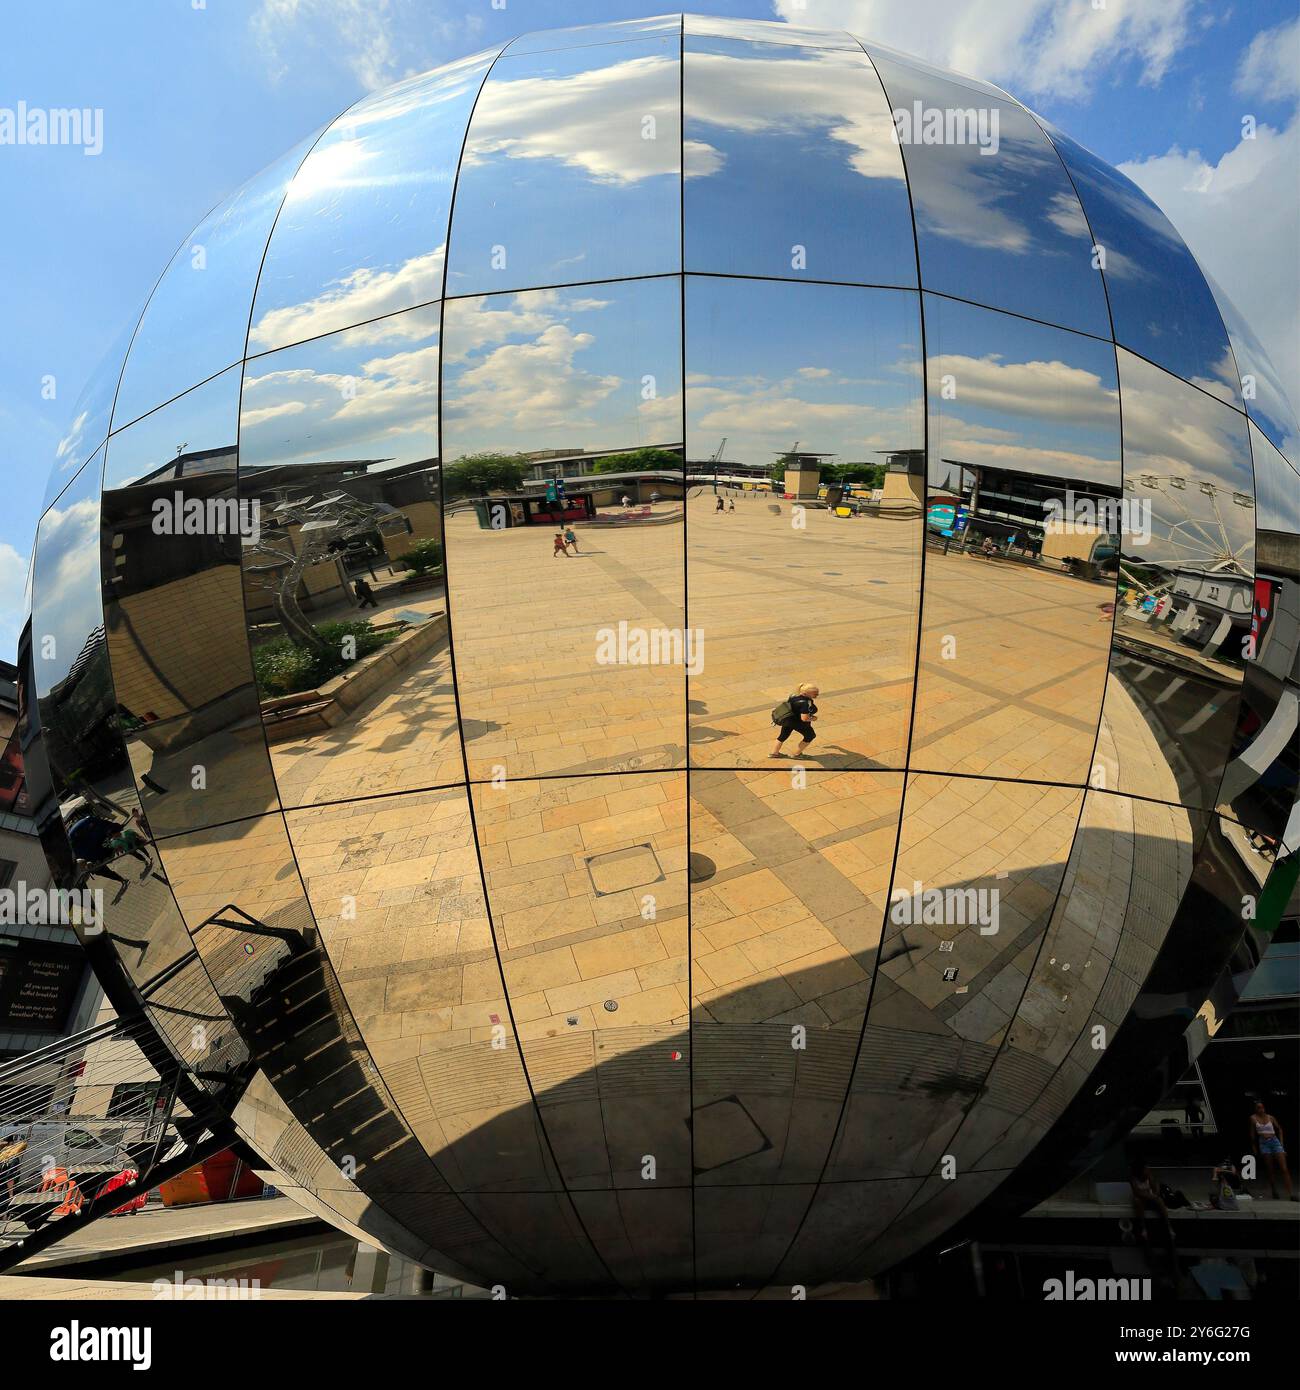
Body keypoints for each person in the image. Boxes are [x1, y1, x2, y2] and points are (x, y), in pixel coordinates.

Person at [1249, 1100, 1295, 1200]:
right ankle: (1274, 1190)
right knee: (1270, 1169)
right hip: (1264, 1143)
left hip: (1274, 1141)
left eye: (1262, 1107)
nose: (1260, 1109)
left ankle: (1291, 1194)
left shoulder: (1270, 1117)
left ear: (1264, 1108)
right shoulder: (1253, 1118)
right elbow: (1252, 1134)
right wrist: (1254, 1148)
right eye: (1258, 1107)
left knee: (1284, 1168)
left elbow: (1279, 1129)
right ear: (1255, 1109)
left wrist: (1282, 1145)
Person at [1129, 1160, 1174, 1244]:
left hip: (1151, 1199)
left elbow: (1156, 1190)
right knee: (1137, 1201)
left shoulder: (1149, 1176)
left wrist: (1153, 1193)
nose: (1148, 1169)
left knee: (1160, 1200)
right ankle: (1143, 1228)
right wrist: (1150, 1196)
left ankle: (1168, 1226)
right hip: (1142, 1200)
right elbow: (1137, 1192)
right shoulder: (1133, 1178)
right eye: (1145, 1168)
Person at [769, 684, 820, 758]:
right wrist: (814, 718)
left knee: (782, 736)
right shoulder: (805, 703)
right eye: (815, 693)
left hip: (788, 720)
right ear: (806, 693)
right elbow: (804, 718)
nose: (817, 694)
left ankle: (774, 753)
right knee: (810, 736)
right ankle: (797, 754)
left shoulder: (793, 696)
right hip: (799, 723)